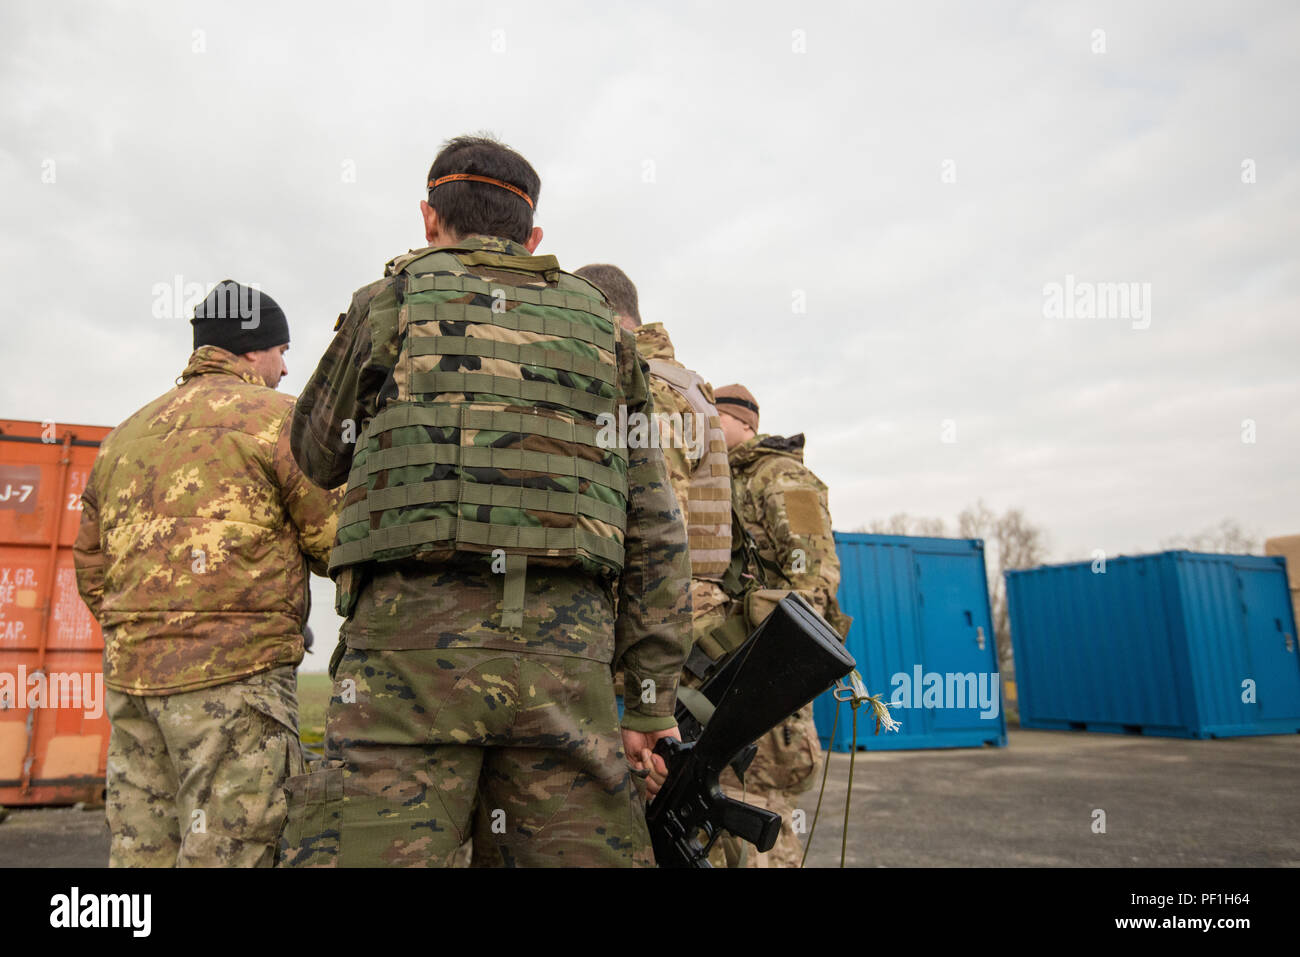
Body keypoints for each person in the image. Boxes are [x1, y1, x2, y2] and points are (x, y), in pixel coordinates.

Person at [280, 135, 692, 867]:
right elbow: (655, 526)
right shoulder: (606, 330)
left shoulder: (389, 302)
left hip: (407, 664)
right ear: (533, 236)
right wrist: (651, 698)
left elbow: (315, 455)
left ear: (429, 219)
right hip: (564, 666)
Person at [73, 281, 342, 867]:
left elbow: (91, 569)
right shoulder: (282, 422)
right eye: (281, 350)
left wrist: (150, 636)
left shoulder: (124, 436)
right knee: (231, 851)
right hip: (236, 682)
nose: (286, 366)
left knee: (140, 855)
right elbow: (335, 541)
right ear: (252, 350)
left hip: (133, 685)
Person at [572, 264, 732, 687]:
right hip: (682, 621)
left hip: (665, 627)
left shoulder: (651, 387)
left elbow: (659, 521)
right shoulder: (675, 381)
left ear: (602, 312)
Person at [710, 382, 848, 868]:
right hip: (733, 671)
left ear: (744, 424)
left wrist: (773, 659)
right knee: (730, 801)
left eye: (715, 415)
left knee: (762, 805)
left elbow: (816, 577)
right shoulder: (722, 479)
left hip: (769, 673)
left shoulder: (781, 475)